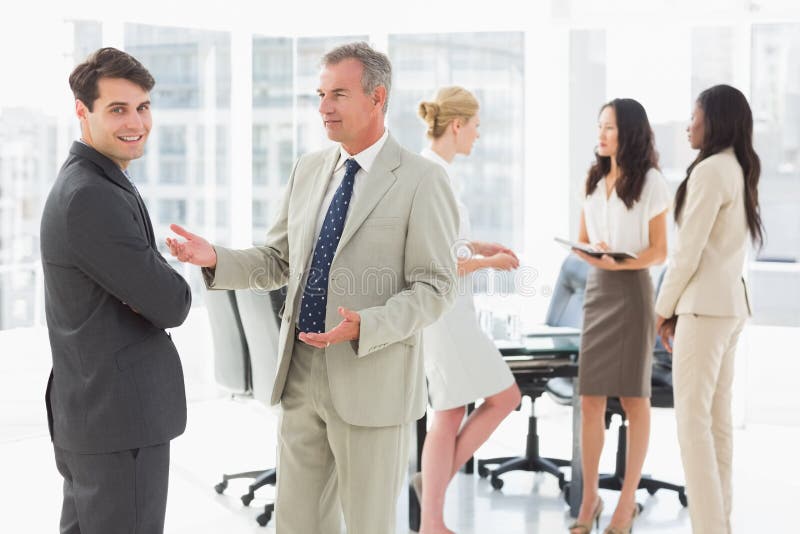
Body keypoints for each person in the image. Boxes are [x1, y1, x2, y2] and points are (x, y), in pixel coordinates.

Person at [165, 42, 459, 534]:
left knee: (368, 526)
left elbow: (436, 286)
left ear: (377, 97)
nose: (324, 107)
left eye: (338, 94)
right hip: (300, 372)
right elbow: (278, 261)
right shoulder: (308, 169)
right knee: (297, 524)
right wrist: (215, 257)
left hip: (373, 378)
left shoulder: (421, 179)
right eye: (320, 95)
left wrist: (368, 324)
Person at [39, 47, 192, 534]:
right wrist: (156, 275)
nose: (136, 122)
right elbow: (172, 302)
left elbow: (147, 289)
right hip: (118, 419)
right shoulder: (92, 195)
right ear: (82, 111)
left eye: (143, 107)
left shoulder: (94, 181)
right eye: (118, 109)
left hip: (96, 415)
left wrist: (147, 276)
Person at [412, 86, 521, 534]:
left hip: (450, 313)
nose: (478, 134)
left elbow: (446, 242)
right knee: (500, 398)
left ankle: (432, 507)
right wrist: (490, 263)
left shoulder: (435, 171)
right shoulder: (433, 176)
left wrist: (480, 245)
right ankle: (432, 508)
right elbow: (440, 262)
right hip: (446, 316)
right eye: (475, 125)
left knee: (451, 411)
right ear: (456, 125)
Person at [655, 84, 761, 534]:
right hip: (730, 307)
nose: (688, 126)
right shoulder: (738, 168)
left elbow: (687, 253)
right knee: (716, 426)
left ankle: (709, 527)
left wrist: (661, 310)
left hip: (703, 310)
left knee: (693, 427)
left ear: (713, 120)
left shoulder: (710, 170)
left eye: (694, 116)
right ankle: (719, 526)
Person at [570, 98, 670, 534]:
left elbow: (659, 250)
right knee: (590, 398)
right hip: (598, 291)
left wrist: (622, 261)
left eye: (609, 127)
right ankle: (589, 499)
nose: (601, 134)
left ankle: (626, 504)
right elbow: (581, 240)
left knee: (633, 398)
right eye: (599, 126)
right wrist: (593, 252)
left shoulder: (651, 182)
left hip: (632, 292)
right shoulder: (593, 179)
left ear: (628, 132)